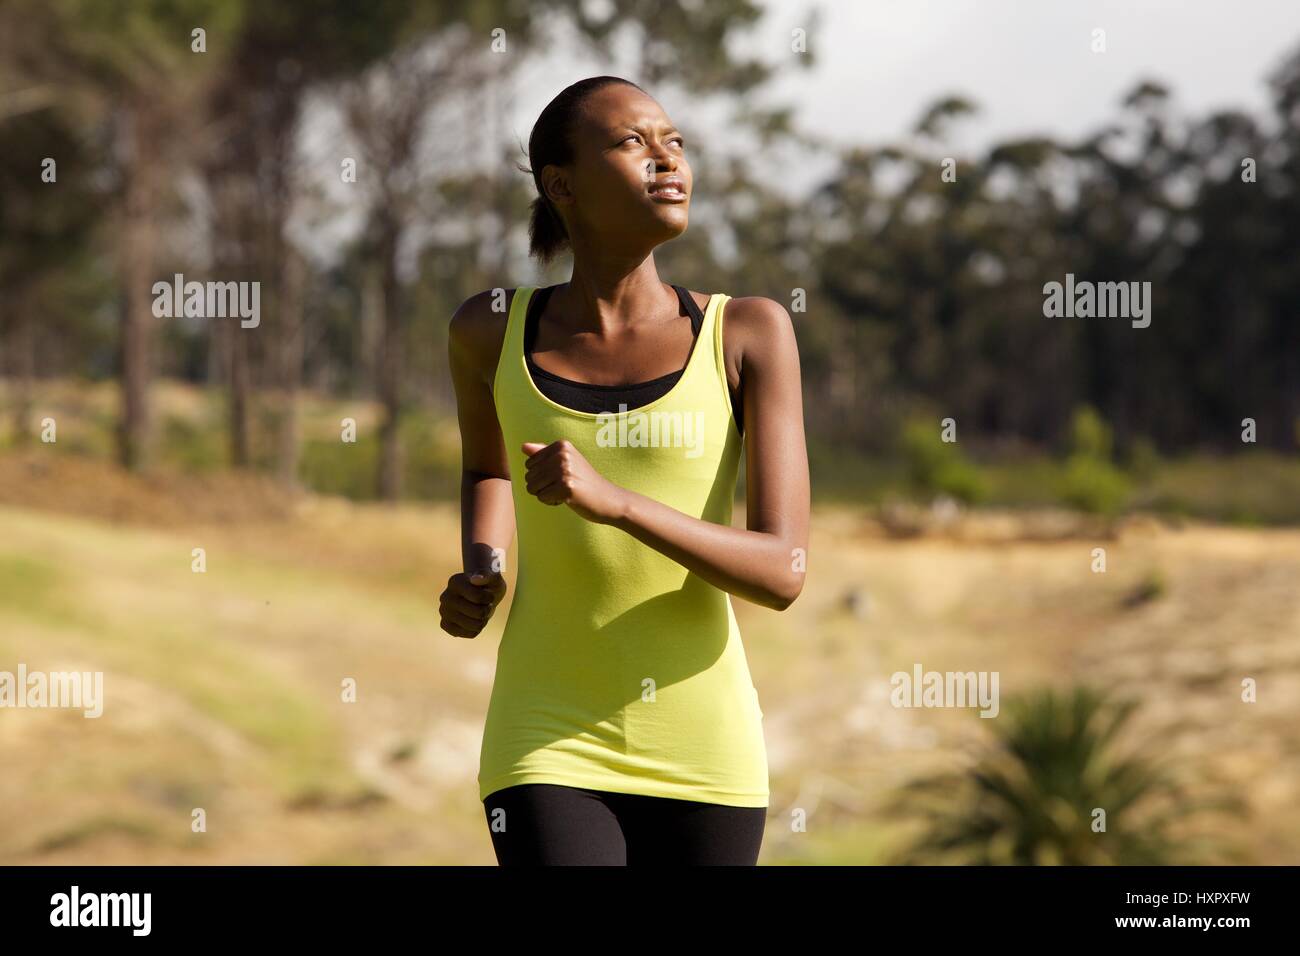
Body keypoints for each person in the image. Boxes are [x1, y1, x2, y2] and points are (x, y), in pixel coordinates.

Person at [440, 75, 810, 865]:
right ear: (561, 185)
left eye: (674, 141)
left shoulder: (746, 334)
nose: (668, 159)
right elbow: (489, 468)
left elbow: (783, 571)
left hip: (704, 748)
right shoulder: (490, 330)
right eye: (633, 142)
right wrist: (484, 565)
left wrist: (619, 505)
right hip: (544, 736)